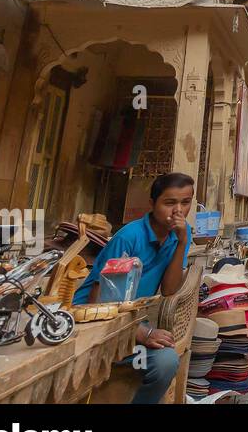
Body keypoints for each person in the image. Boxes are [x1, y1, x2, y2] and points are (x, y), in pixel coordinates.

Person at [73, 172, 195, 403]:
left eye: (185, 202)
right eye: (169, 203)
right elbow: (98, 299)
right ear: (152, 204)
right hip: (97, 323)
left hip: (128, 322)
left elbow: (169, 290)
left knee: (166, 361)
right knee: (163, 358)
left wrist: (181, 243)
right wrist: (141, 333)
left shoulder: (182, 233)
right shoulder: (129, 237)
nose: (178, 211)